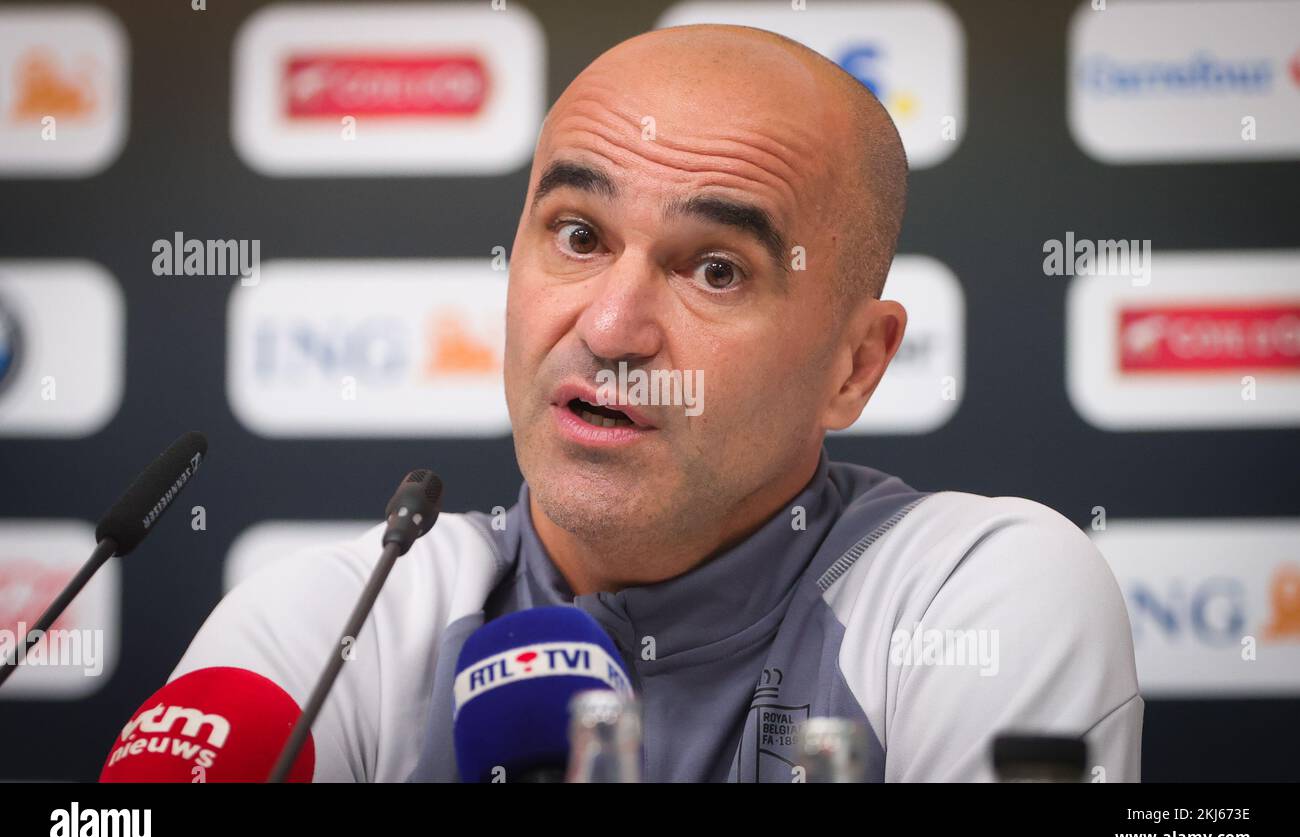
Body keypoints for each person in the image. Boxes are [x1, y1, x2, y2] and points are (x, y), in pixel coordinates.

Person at [167, 24, 1142, 782]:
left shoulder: (968, 593)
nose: (610, 327)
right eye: (579, 235)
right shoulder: (336, 620)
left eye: (715, 269)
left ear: (855, 365)